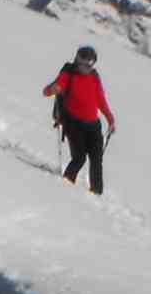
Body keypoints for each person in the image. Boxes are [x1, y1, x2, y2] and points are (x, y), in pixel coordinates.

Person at [44, 45, 116, 195]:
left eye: (88, 64)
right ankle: (65, 185)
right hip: (73, 123)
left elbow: (100, 100)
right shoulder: (68, 74)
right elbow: (47, 91)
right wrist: (53, 89)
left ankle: (97, 192)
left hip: (93, 125)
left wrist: (110, 119)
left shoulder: (94, 77)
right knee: (79, 158)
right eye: (82, 62)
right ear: (77, 60)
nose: (84, 67)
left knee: (96, 160)